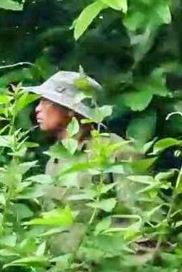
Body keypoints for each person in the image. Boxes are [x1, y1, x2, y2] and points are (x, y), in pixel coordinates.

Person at [23, 71, 153, 261]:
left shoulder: (115, 152)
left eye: (46, 102)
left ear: (71, 109)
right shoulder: (55, 158)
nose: (37, 109)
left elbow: (144, 228)